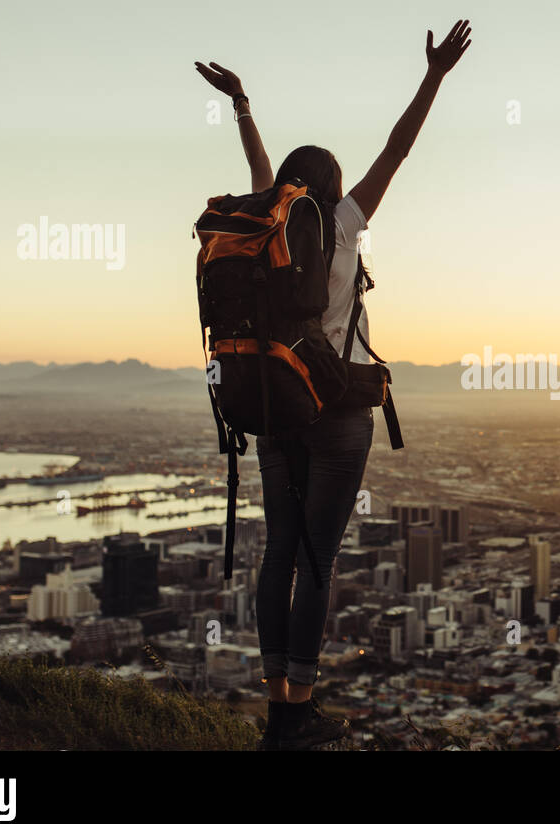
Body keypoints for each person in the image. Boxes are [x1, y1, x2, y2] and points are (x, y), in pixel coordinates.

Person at [195, 19, 472, 750]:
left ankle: (276, 703)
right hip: (340, 406)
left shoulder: (269, 222)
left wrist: (244, 104)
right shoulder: (344, 223)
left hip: (273, 401)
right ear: (335, 188)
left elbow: (259, 167)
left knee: (280, 548)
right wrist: (435, 75)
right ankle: (302, 709)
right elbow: (399, 148)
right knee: (320, 551)